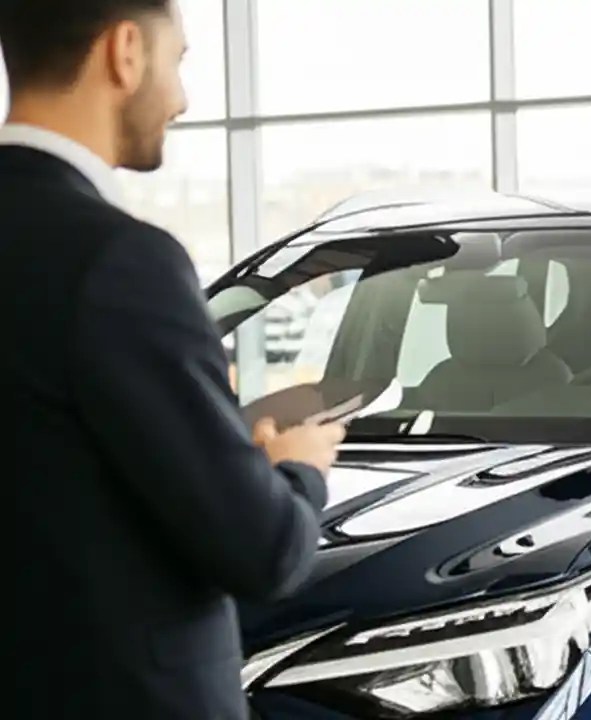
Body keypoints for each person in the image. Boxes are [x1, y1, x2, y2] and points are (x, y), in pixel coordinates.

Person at [1, 2, 345, 718]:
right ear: (125, 52)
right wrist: (300, 468)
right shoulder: (119, 261)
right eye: (178, 60)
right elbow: (264, 550)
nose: (183, 99)